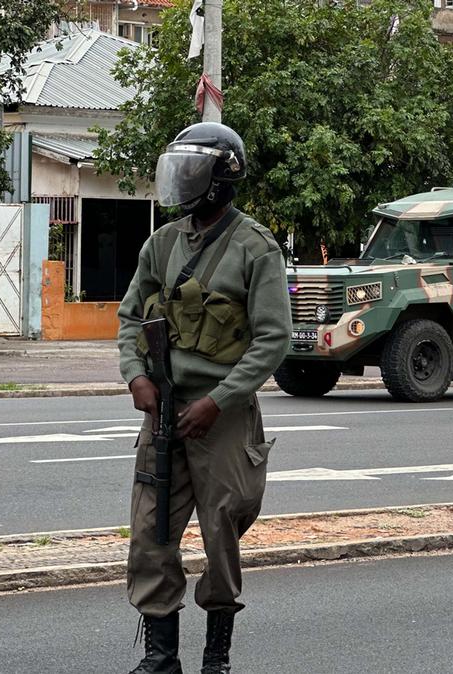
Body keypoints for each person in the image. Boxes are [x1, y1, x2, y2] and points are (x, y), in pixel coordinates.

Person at [117, 122, 291, 674]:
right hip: (165, 409)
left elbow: (272, 339)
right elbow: (129, 317)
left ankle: (216, 658)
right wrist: (135, 376)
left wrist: (220, 399)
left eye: (193, 171)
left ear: (222, 179)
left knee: (222, 534)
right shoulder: (162, 243)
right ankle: (160, 658)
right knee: (151, 534)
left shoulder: (255, 248)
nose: (183, 182)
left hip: (223, 417)